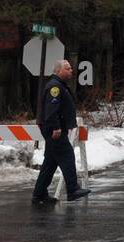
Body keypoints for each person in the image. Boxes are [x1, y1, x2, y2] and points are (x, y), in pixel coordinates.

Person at [32, 60, 91, 205]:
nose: (71, 70)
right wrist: (56, 128)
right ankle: (72, 189)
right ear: (58, 71)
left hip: (55, 129)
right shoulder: (55, 87)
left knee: (50, 162)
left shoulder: (60, 85)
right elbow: (52, 111)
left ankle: (39, 194)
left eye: (71, 68)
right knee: (67, 155)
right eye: (67, 68)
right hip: (54, 130)